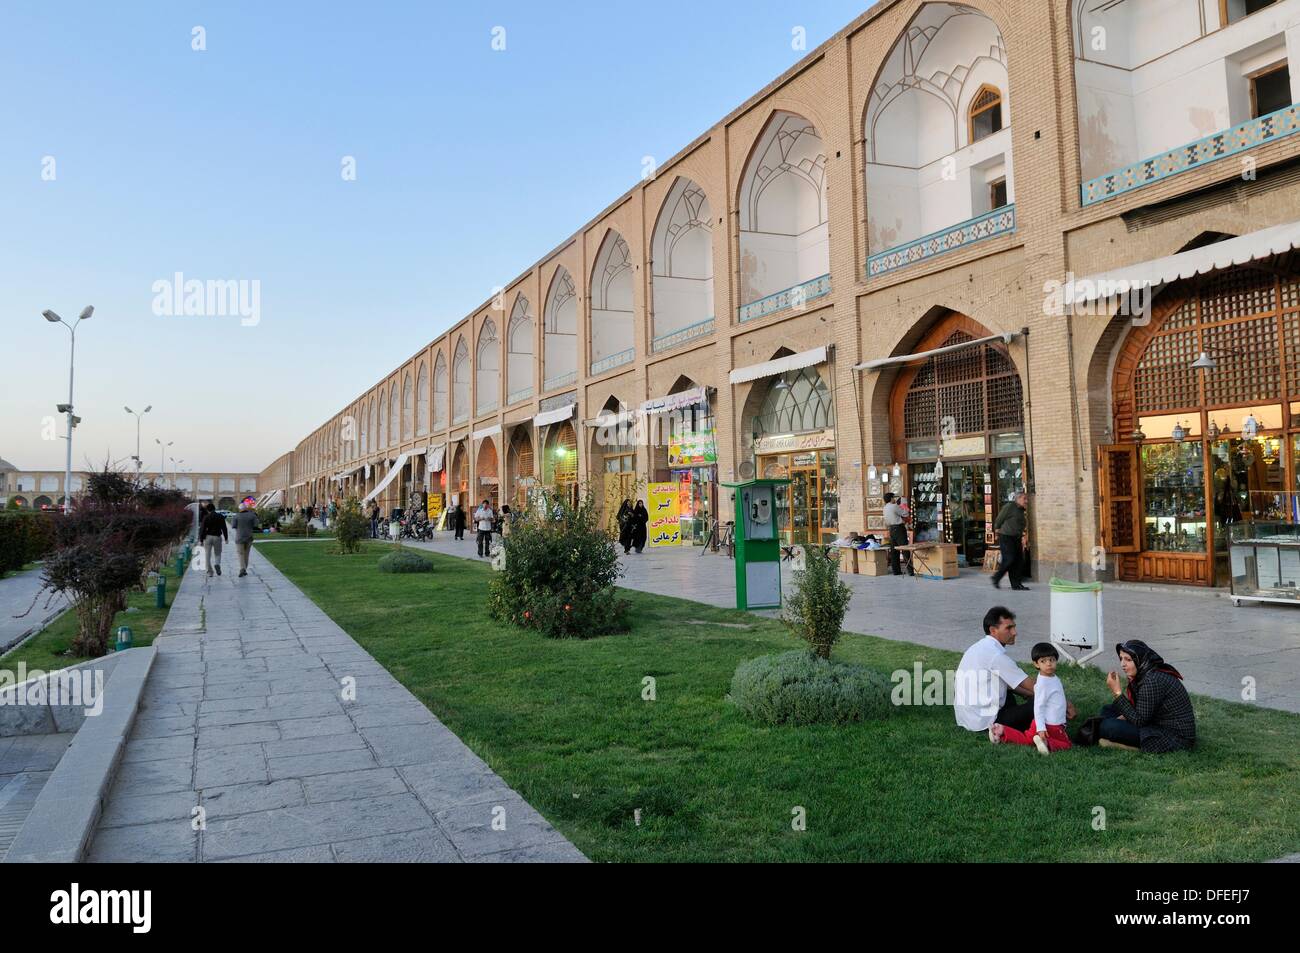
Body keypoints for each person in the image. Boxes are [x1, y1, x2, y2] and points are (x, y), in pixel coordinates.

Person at [954, 606, 1075, 735]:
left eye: (1014, 627)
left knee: (1026, 695)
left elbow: (1013, 685)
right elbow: (1035, 686)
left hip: (967, 718)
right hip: (985, 722)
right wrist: (1064, 703)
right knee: (1043, 703)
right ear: (993, 630)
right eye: (1009, 628)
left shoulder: (978, 647)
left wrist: (1030, 694)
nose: (1014, 632)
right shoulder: (996, 656)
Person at [1095, 640, 1196, 753]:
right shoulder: (1145, 673)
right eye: (1121, 658)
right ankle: (1108, 732)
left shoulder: (1152, 681)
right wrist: (1123, 716)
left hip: (1174, 737)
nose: (1122, 664)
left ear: (1140, 660)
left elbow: (1139, 721)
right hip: (1154, 720)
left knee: (1108, 726)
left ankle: (1132, 747)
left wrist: (1117, 692)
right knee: (1108, 710)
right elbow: (1140, 708)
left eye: (1128, 660)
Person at [989, 643, 1071, 754]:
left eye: (1051, 660)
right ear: (1036, 664)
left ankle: (1001, 731)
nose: (1049, 664)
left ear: (1056, 661)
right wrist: (1041, 728)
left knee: (1027, 739)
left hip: (1039, 722)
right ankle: (1047, 743)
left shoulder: (1047, 678)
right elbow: (1038, 706)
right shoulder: (1044, 683)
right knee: (1066, 744)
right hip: (1051, 724)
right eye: (1043, 661)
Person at [991, 491, 1030, 591]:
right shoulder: (1009, 507)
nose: (1026, 501)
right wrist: (997, 529)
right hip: (1006, 537)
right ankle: (996, 577)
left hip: (1016, 537)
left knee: (1018, 561)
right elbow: (999, 519)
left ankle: (1016, 584)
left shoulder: (1021, 509)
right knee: (1009, 559)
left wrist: (1023, 535)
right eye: (1024, 499)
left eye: (1026, 499)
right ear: (1018, 499)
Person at [883, 492, 912, 576]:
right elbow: (905, 513)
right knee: (905, 548)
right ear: (891, 498)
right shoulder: (894, 506)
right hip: (899, 528)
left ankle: (896, 571)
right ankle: (910, 570)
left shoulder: (885, 508)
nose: (894, 499)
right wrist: (904, 504)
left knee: (894, 550)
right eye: (893, 497)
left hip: (891, 529)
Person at [199, 502, 229, 578]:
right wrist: (226, 538)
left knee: (207, 554)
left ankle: (209, 572)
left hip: (208, 537)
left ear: (207, 510)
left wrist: (201, 540)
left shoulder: (206, 517)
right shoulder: (220, 516)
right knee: (218, 553)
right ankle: (217, 564)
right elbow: (224, 528)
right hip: (217, 537)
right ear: (214, 509)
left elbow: (202, 529)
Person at [231, 502, 259, 578]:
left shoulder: (236, 516)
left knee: (240, 554)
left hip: (239, 538)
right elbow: (256, 525)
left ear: (240, 509)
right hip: (249, 537)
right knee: (246, 554)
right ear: (246, 508)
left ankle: (242, 568)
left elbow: (233, 526)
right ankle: (244, 569)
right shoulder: (252, 515)